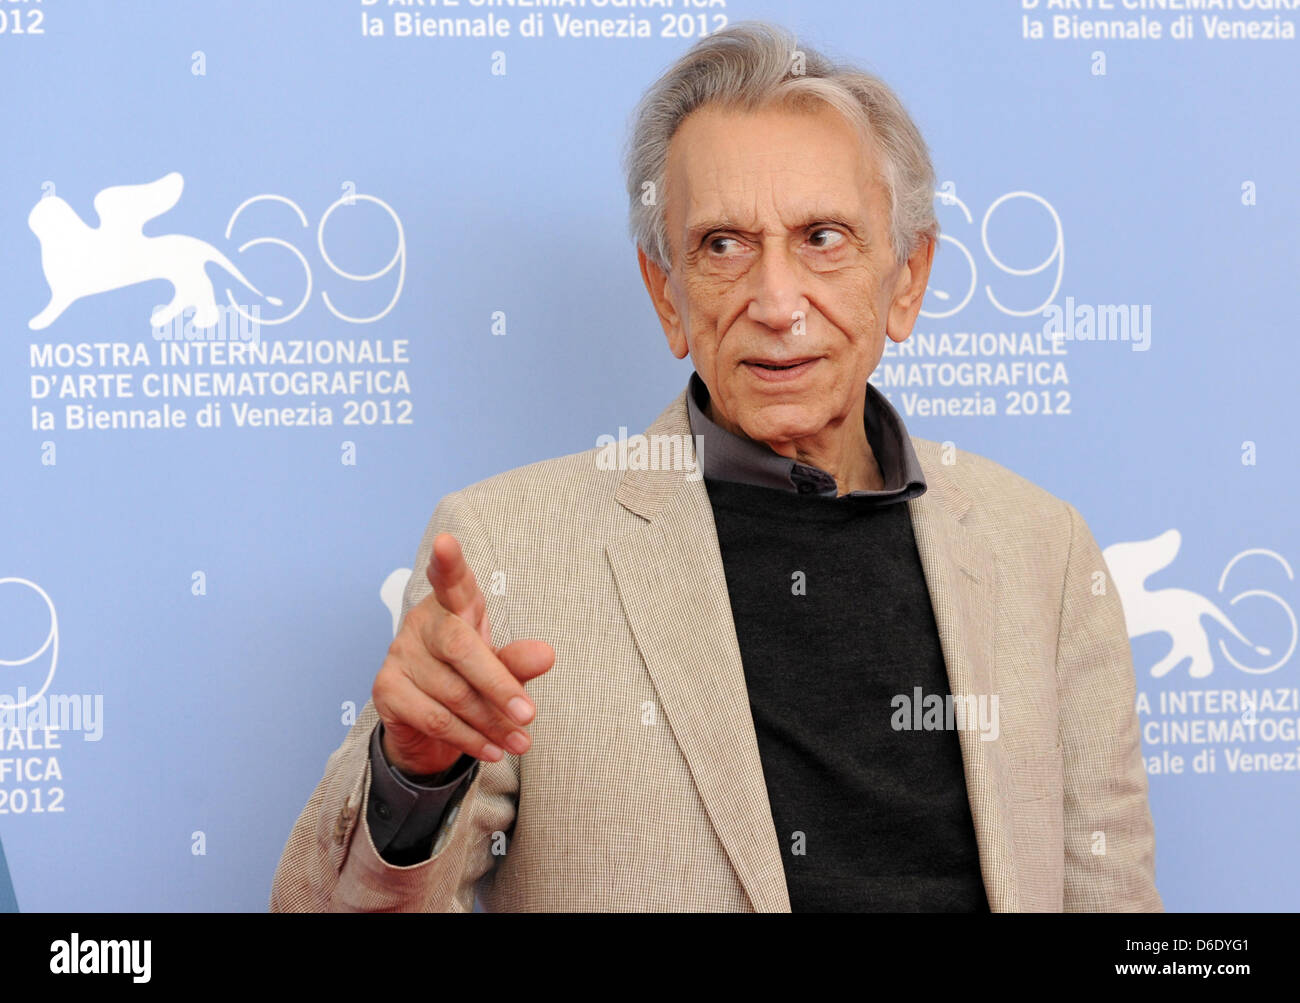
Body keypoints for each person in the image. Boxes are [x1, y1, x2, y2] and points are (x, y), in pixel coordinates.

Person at [271, 21, 1161, 912]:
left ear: (907, 280)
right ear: (669, 296)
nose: (777, 302)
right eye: (724, 245)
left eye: (822, 237)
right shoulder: (511, 550)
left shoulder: (1043, 551)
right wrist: (412, 776)